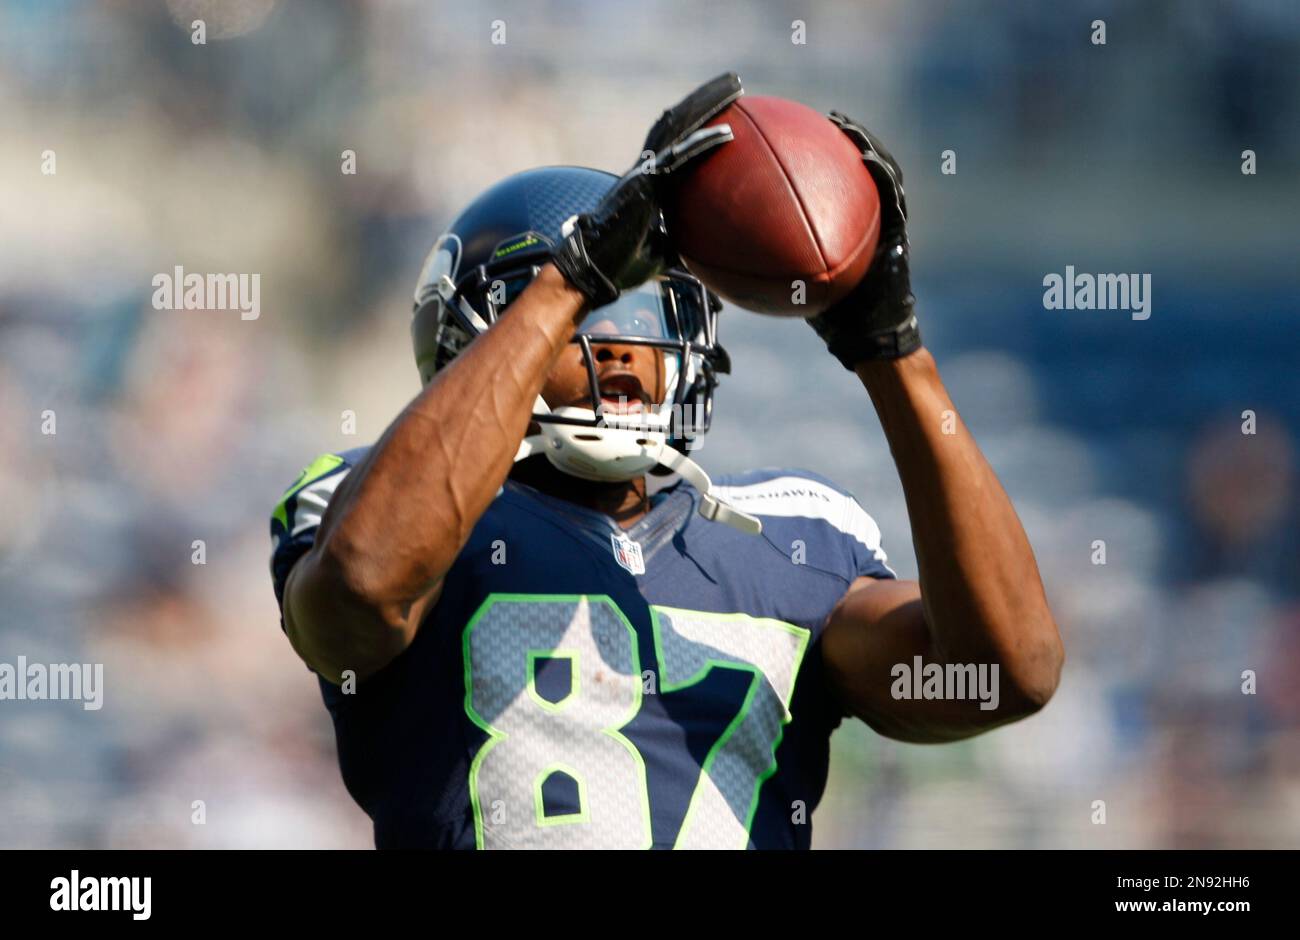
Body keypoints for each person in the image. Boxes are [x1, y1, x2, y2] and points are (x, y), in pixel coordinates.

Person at [268, 73, 1062, 849]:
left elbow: (1005, 672)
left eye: (650, 311)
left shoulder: (792, 532)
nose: (620, 342)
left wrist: (895, 351)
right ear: (468, 335)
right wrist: (568, 283)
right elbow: (364, 584)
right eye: (595, 310)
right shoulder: (362, 502)